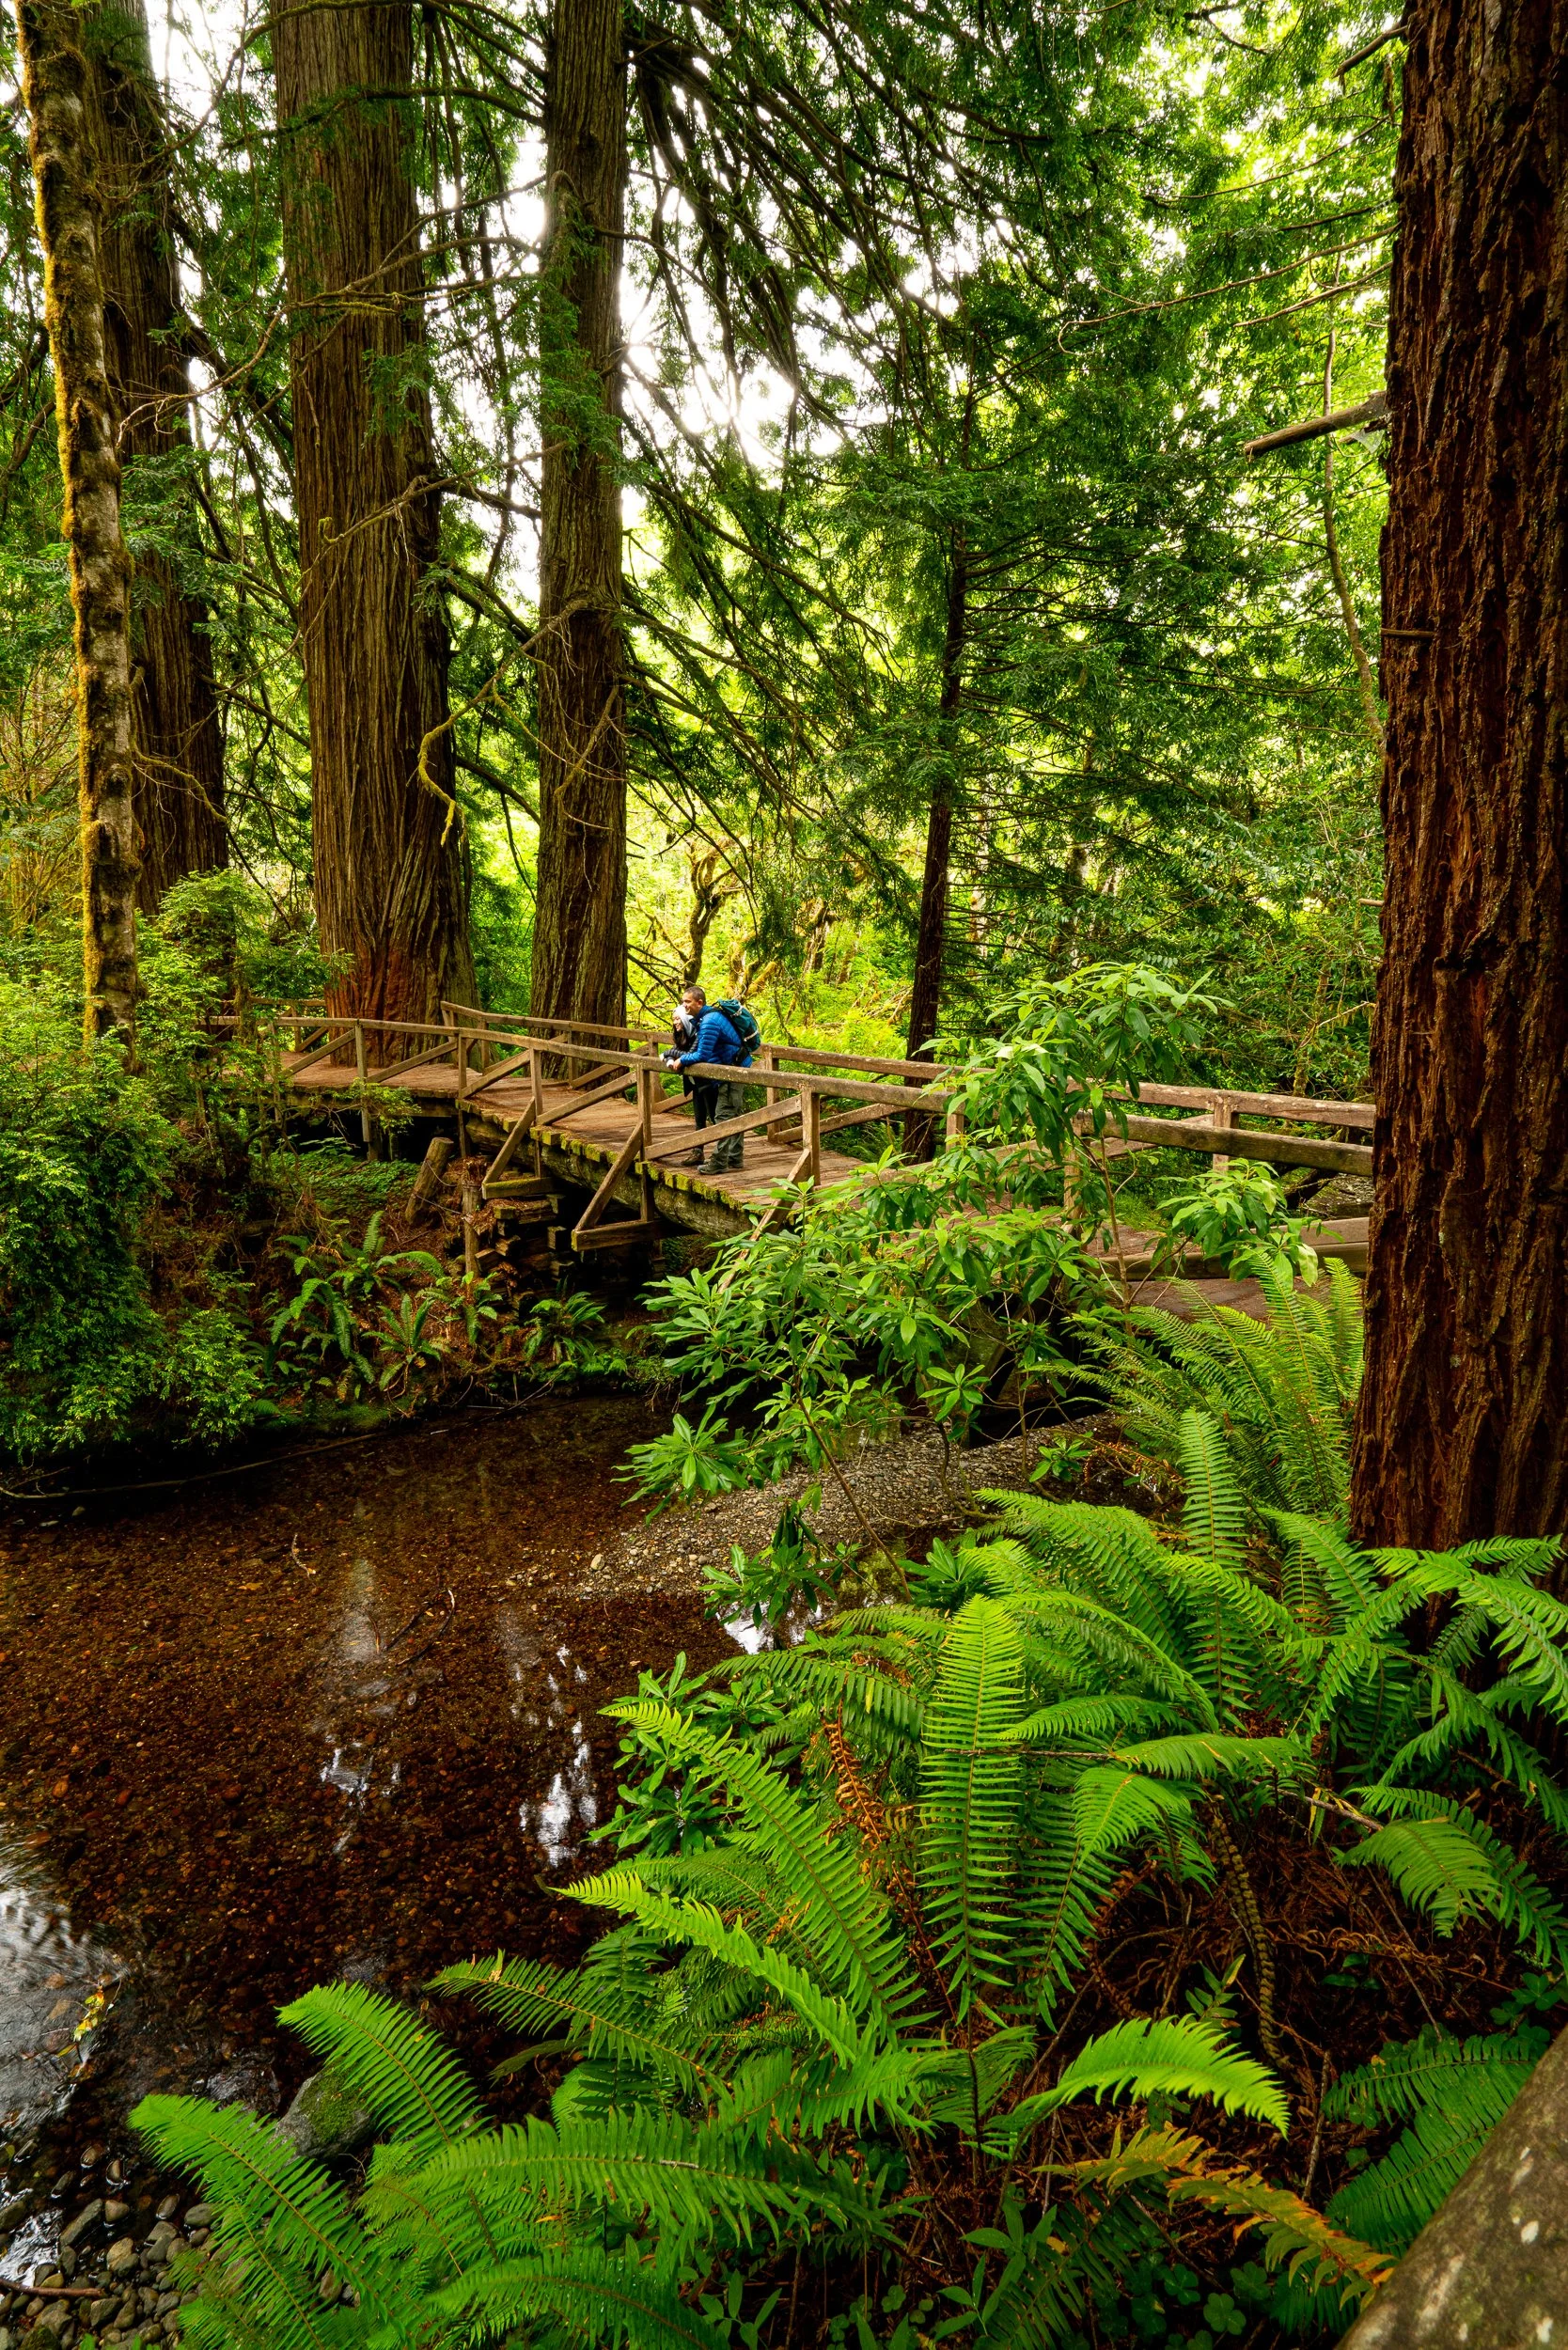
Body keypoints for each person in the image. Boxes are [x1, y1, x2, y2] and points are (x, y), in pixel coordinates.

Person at [664, 984, 754, 1172]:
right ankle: (734, 1158)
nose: (684, 1005)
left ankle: (719, 1163)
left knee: (722, 1116)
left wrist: (681, 1060)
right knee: (733, 1115)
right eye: (683, 1002)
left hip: (732, 1072)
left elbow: (702, 1054)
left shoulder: (709, 1021)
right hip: (734, 1069)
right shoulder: (707, 1018)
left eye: (687, 1002)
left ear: (699, 1002)